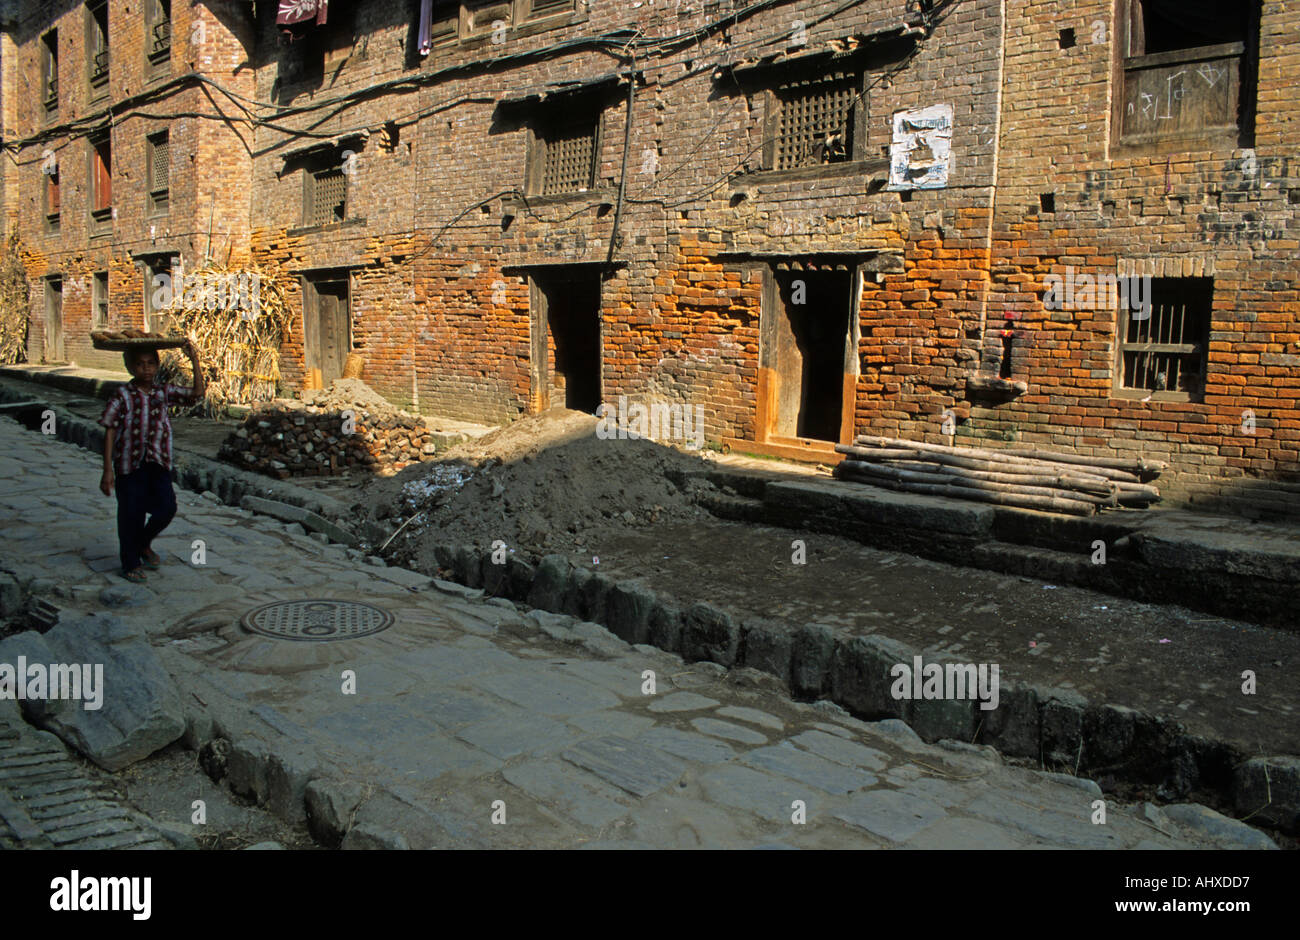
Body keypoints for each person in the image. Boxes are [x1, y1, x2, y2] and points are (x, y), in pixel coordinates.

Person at [98, 341, 206, 582]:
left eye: (150, 364)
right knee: (130, 515)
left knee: (167, 508)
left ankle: (144, 542)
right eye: (139, 364)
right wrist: (107, 471)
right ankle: (131, 563)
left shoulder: (163, 392)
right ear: (130, 367)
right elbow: (110, 430)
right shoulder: (122, 395)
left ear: (157, 366)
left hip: (158, 463)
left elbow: (197, 394)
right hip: (129, 464)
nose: (145, 369)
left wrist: (194, 360)